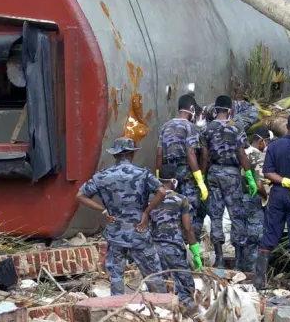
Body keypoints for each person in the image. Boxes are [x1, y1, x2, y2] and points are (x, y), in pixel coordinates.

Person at [78, 137, 165, 295]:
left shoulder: (102, 176)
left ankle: (117, 311)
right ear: (131, 154)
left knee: (117, 275)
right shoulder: (142, 174)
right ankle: (162, 306)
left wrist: (103, 210)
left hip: (115, 232)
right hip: (139, 231)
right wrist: (146, 212)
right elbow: (162, 191)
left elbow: (80, 195)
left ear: (114, 155)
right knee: (153, 273)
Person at [255, 113, 290, 289]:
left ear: (287, 126)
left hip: (278, 194)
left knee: (271, 232)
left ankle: (259, 279)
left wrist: (282, 180)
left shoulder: (274, 146)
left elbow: (268, 172)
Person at [202, 95, 255, 270]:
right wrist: (249, 176)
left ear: (215, 109)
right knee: (236, 215)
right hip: (232, 174)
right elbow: (242, 154)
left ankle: (218, 258)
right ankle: (238, 261)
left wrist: (202, 176)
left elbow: (205, 155)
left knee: (215, 215)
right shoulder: (237, 128)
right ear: (230, 110)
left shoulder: (208, 129)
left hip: (214, 172)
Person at [149, 165, 203, 306]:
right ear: (172, 181)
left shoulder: (150, 199)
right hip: (174, 248)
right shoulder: (181, 199)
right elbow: (187, 228)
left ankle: (165, 312)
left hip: (154, 248)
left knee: (162, 284)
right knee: (186, 285)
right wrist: (195, 251)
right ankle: (187, 312)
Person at [155, 94, 207, 234]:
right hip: (187, 172)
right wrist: (200, 181)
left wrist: (159, 178)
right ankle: (190, 242)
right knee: (191, 208)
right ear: (191, 108)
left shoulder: (165, 126)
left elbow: (159, 153)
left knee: (173, 207)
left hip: (170, 174)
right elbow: (191, 154)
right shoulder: (190, 127)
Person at [240, 128, 271, 282]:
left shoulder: (241, 153)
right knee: (255, 238)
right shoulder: (258, 157)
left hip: (239, 200)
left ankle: (239, 271)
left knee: (240, 236)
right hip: (254, 201)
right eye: (267, 142)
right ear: (261, 141)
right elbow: (259, 185)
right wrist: (266, 198)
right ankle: (253, 275)